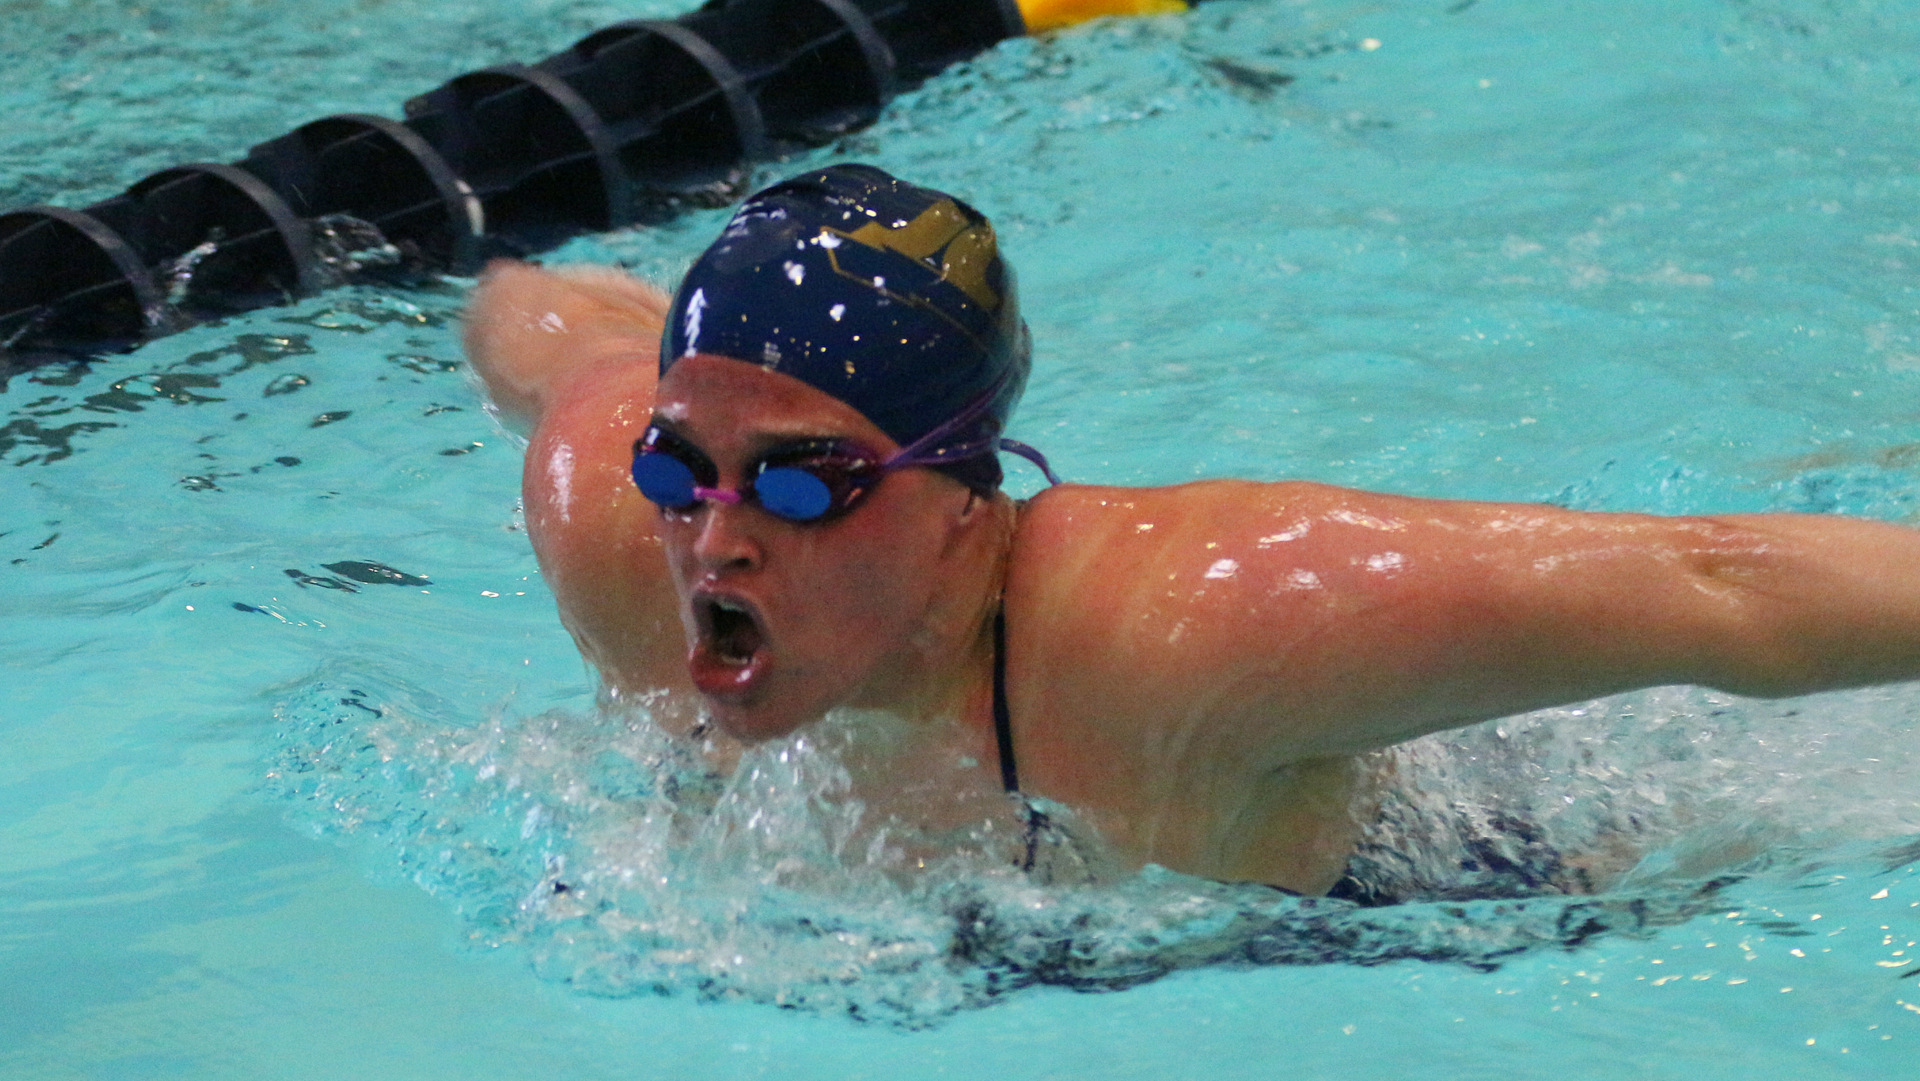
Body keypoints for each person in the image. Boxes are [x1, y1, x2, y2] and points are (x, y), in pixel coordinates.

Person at [463, 164, 1920, 896]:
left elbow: (1717, 589)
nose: (712, 541)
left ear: (970, 502)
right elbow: (542, 321)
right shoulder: (612, 517)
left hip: (1487, 870)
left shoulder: (1188, 632)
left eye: (797, 485)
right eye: (685, 468)